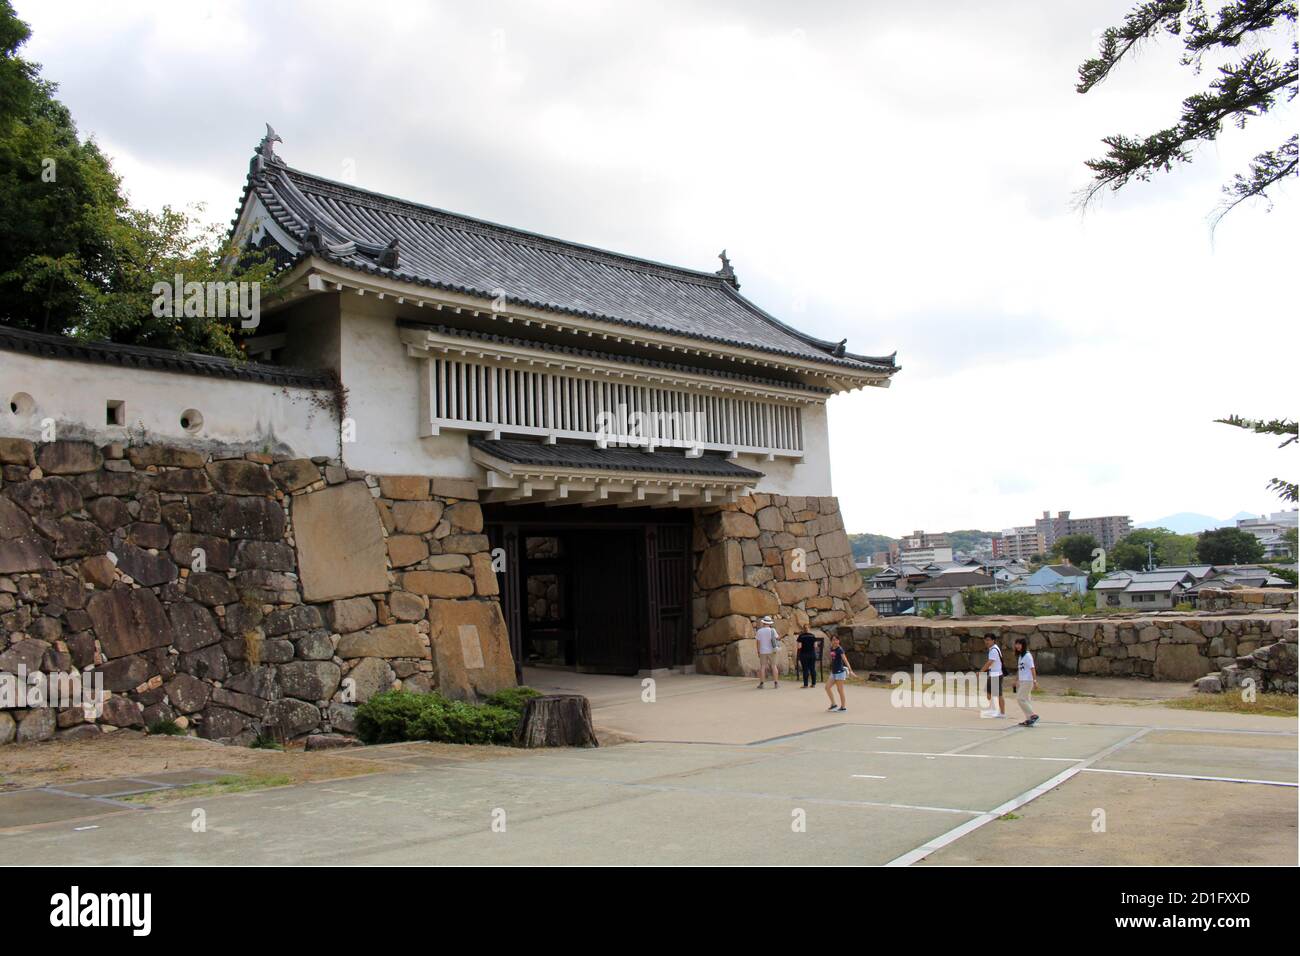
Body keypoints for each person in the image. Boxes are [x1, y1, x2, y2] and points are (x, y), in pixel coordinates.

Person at [1013, 637, 1040, 726]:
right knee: (1026, 700)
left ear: (1023, 645)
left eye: (1019, 644)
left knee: (1020, 698)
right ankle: (1029, 719)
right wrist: (1016, 680)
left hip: (1028, 681)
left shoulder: (1028, 655)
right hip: (1022, 681)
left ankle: (1033, 715)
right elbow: (1019, 669)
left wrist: (1035, 681)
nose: (1017, 646)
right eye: (1016, 644)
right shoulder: (1020, 656)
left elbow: (1032, 668)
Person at [824, 633, 853, 711]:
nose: (835, 641)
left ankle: (843, 707)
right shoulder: (831, 648)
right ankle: (833, 704)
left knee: (840, 690)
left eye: (836, 640)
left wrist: (850, 670)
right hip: (834, 672)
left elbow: (845, 660)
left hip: (840, 672)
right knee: (827, 687)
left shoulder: (840, 649)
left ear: (839, 641)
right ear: (831, 641)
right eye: (833, 640)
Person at [979, 634, 1006, 719]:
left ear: (993, 640)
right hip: (993, 674)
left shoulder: (994, 650)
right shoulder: (993, 649)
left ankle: (1002, 713)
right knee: (988, 692)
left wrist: (981, 672)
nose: (986, 642)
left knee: (999, 694)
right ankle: (992, 709)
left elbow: (990, 662)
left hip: (996, 675)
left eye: (988, 640)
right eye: (985, 640)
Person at [754, 615, 781, 688]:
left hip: (763, 651)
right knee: (774, 666)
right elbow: (778, 638)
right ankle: (776, 683)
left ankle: (762, 684)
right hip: (772, 650)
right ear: (770, 623)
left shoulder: (759, 631)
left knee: (762, 667)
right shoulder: (773, 630)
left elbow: (758, 642)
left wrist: (758, 651)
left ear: (763, 623)